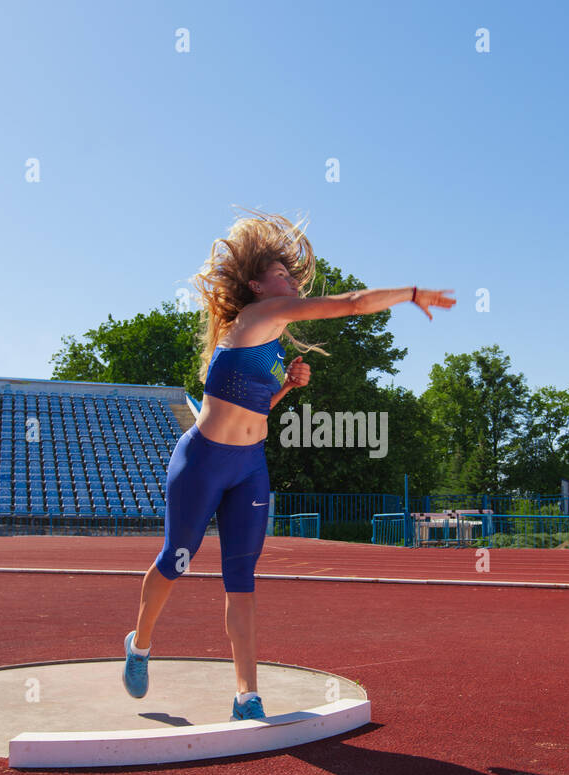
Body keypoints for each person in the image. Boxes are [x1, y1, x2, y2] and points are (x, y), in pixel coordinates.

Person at [122, 207, 455, 720]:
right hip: (203, 462)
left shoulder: (272, 341)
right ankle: (140, 644)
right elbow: (351, 304)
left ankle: (246, 696)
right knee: (177, 559)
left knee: (242, 577)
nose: (292, 281)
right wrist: (410, 294)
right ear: (257, 286)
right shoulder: (255, 320)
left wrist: (285, 389)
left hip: (249, 466)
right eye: (282, 274)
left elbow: (254, 408)